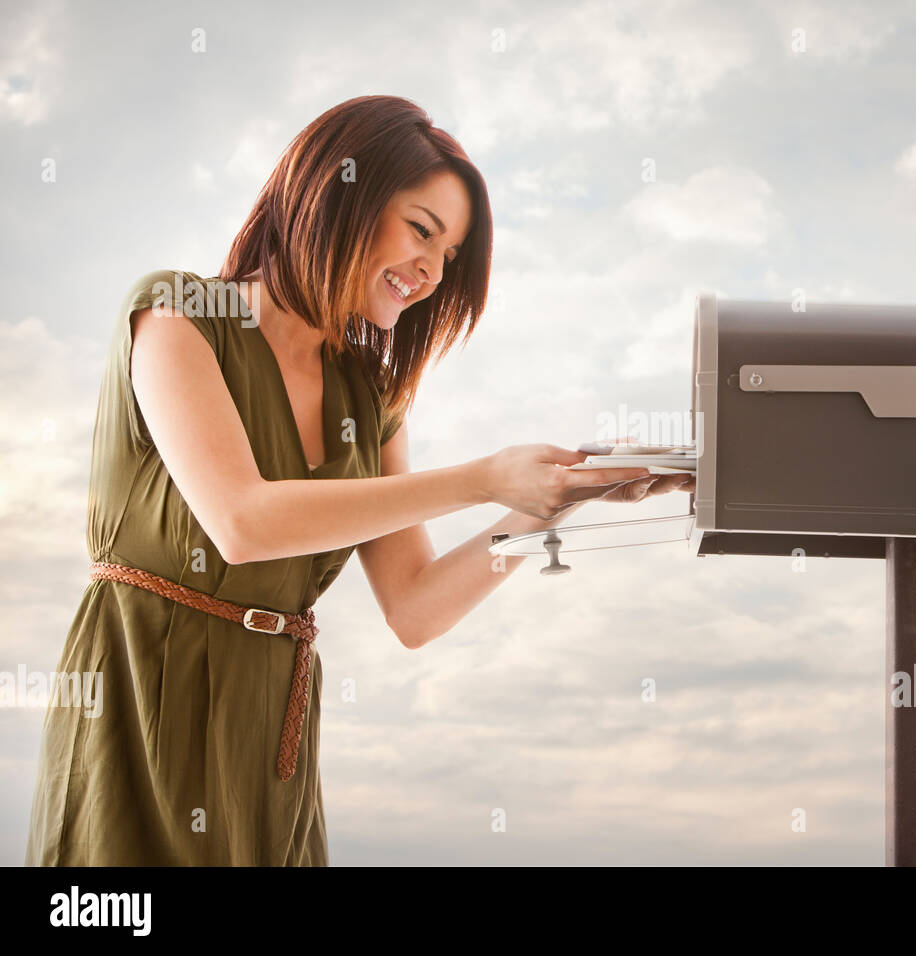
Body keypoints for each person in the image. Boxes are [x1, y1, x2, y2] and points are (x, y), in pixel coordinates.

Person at [25, 94, 693, 866]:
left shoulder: (369, 399)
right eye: (422, 231)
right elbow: (242, 522)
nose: (432, 272)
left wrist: (557, 500)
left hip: (269, 735)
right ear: (339, 193)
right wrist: (485, 478)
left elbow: (415, 607)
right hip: (141, 700)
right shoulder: (177, 314)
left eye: (449, 257)